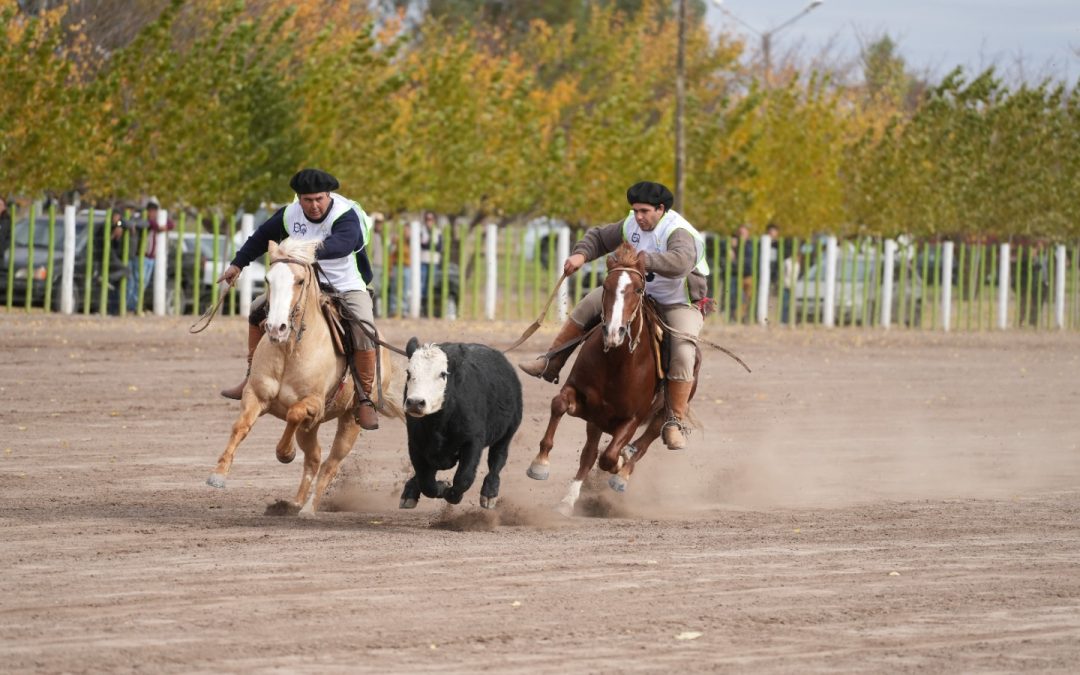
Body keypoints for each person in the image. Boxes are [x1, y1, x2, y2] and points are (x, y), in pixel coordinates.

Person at [518, 181, 710, 450]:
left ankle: (673, 421)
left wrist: (645, 259)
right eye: (635, 210)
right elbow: (598, 237)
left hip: (679, 301)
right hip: (636, 291)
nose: (638, 216)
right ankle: (551, 362)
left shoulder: (677, 232)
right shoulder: (631, 223)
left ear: (661, 209)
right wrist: (581, 255)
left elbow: (681, 262)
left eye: (644, 211)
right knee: (587, 305)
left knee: (683, 353)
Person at [216, 168, 382, 430]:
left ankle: (365, 397)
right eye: (307, 200)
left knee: (365, 327)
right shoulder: (288, 214)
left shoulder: (345, 214)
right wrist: (237, 264)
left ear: (328, 195)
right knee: (258, 308)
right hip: (301, 283)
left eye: (319, 199)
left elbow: (343, 244)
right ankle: (250, 377)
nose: (314, 205)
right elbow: (261, 237)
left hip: (343, 284)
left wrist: (302, 251)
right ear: (299, 198)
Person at [126, 200, 175, 312]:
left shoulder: (156, 221)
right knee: (138, 283)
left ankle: (135, 306)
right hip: (142, 256)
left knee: (143, 284)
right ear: (148, 211)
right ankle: (132, 307)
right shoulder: (145, 221)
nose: (155, 214)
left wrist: (163, 226)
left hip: (151, 258)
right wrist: (160, 226)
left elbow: (171, 224)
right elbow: (154, 226)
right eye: (153, 211)